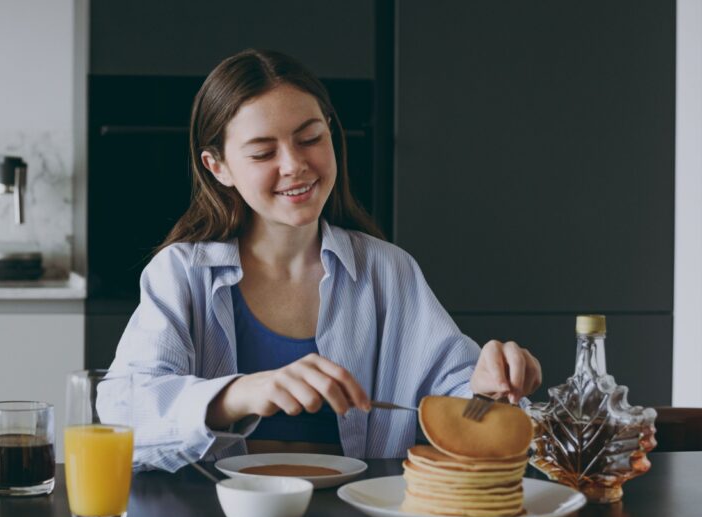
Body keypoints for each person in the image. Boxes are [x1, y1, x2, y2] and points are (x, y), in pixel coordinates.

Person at [102, 49, 542, 473]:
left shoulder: (388, 271)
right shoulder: (180, 273)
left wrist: (491, 388)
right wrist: (240, 393)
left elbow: (462, 399)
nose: (294, 165)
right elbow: (125, 412)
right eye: (262, 153)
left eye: (310, 138)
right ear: (218, 168)